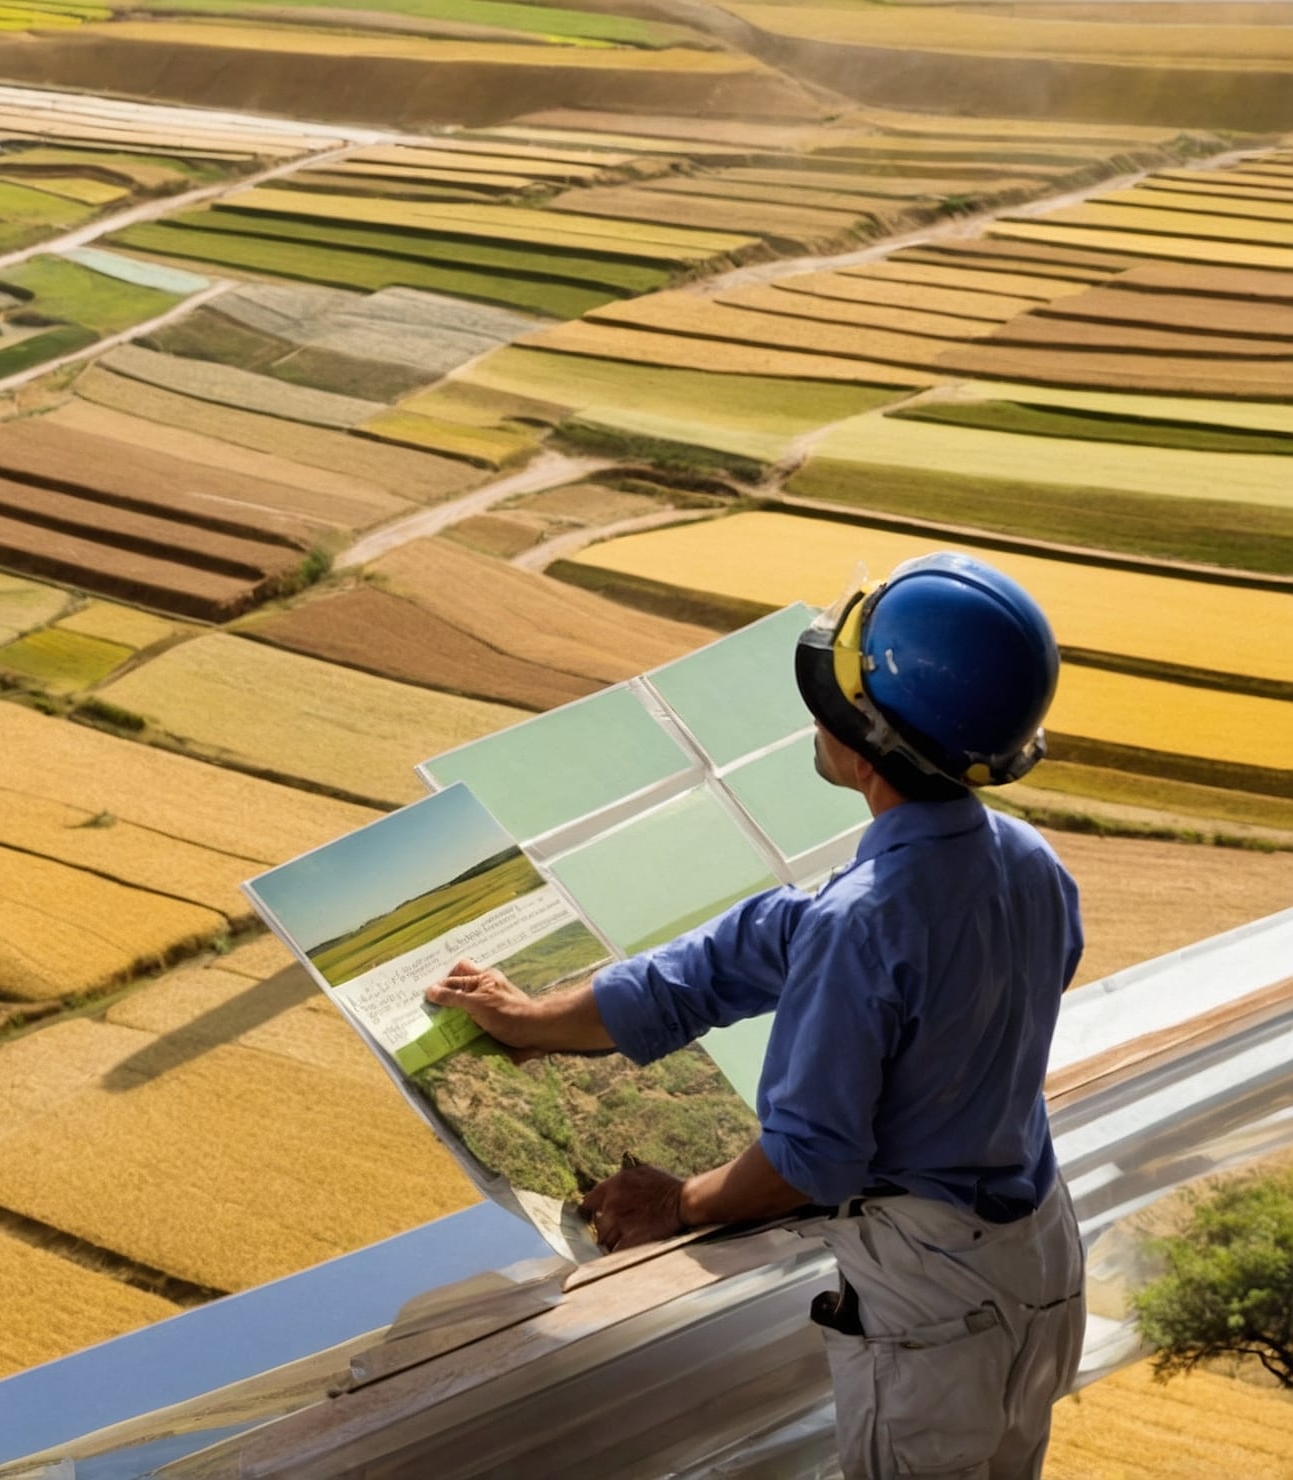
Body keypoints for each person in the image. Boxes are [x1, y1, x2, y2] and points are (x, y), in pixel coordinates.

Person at [425, 552, 1087, 1480]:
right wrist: (535, 1018)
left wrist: (676, 1202)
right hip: (1039, 1264)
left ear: (866, 742)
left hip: (943, 1312)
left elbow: (811, 1159)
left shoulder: (866, 921)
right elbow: (728, 961)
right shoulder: (1025, 864)